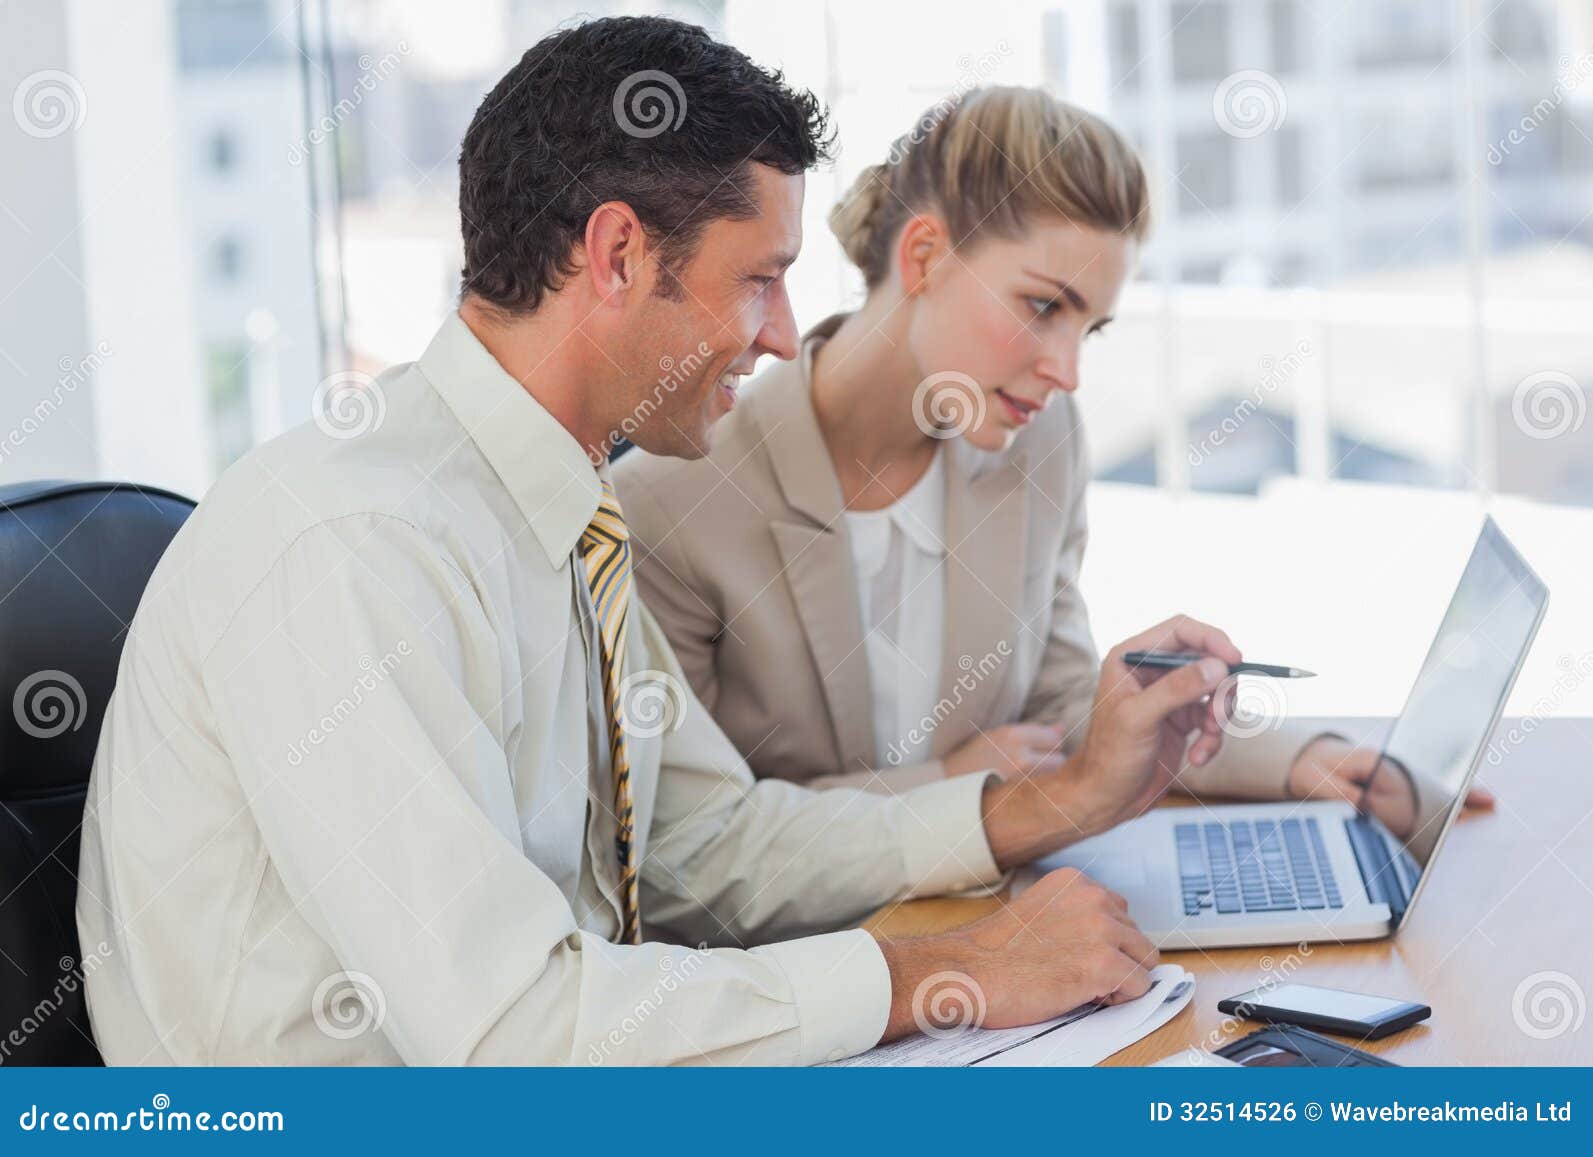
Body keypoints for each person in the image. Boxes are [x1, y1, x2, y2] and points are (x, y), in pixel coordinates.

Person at [78, 17, 1248, 1067]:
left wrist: (1046, 804)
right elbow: (512, 1031)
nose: (782, 336)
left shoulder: (556, 506)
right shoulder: (356, 544)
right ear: (619, 254)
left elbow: (709, 843)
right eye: (760, 280)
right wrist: (945, 972)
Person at [615, 86, 1496, 829]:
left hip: (1013, 924)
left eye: (1090, 327)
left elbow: (1065, 710)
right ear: (924, 256)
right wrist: (951, 787)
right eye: (1043, 307)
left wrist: (1304, 759)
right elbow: (693, 840)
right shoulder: (668, 501)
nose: (1066, 372)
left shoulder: (1038, 441)